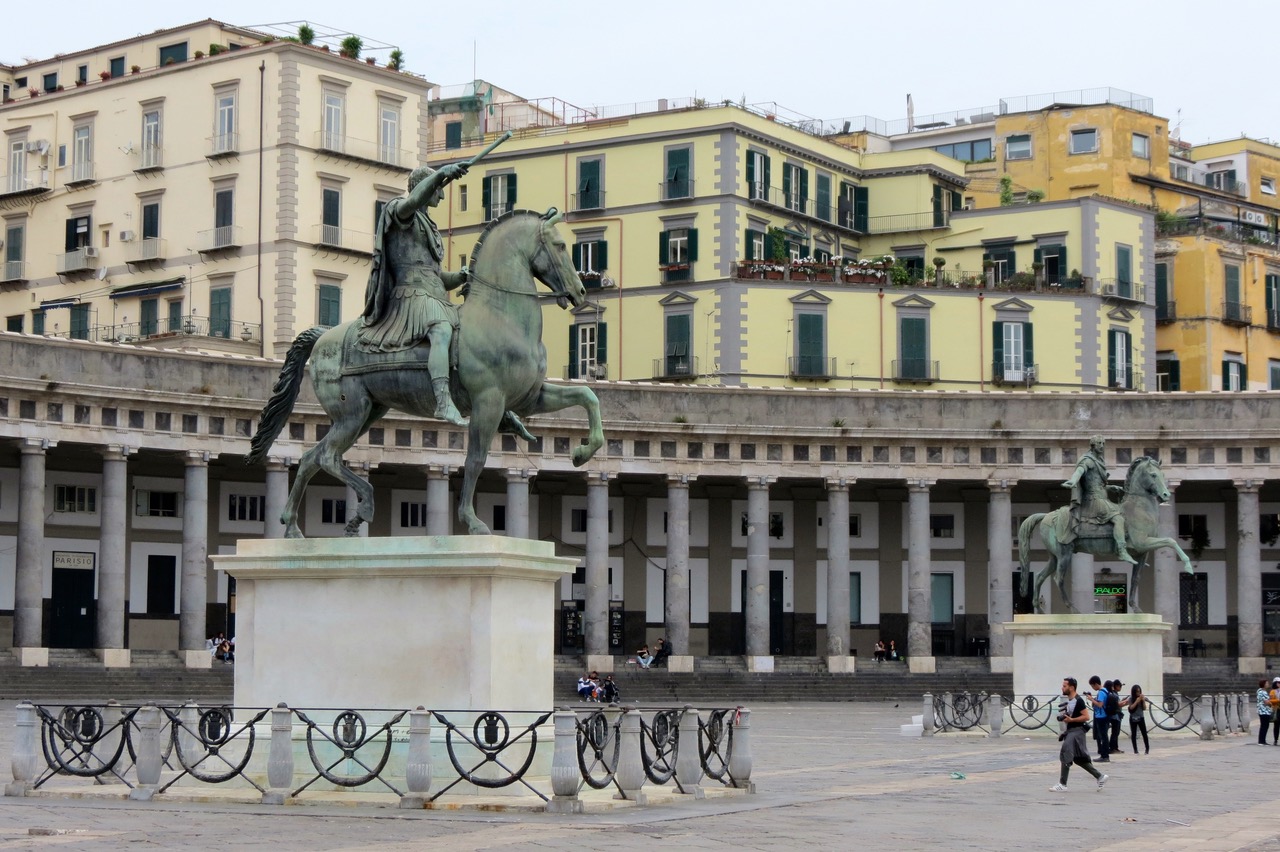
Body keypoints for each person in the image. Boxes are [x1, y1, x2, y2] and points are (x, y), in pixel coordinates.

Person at [357, 162, 472, 426]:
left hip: (433, 296)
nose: (441, 195)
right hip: (409, 297)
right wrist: (441, 175)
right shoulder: (399, 211)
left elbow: (436, 275)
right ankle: (443, 402)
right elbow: (413, 201)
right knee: (441, 330)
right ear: (425, 186)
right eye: (438, 189)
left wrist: (461, 276)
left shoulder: (429, 225)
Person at [1061, 435, 1137, 564]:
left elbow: (1096, 484)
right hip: (1094, 501)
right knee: (1118, 519)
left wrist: (1110, 487)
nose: (1101, 446)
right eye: (1098, 443)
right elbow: (1080, 470)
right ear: (1092, 445)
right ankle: (1122, 551)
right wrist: (1073, 480)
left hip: (1102, 498)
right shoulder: (1088, 460)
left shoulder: (1099, 460)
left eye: (1103, 443)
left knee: (1125, 514)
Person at [1052, 676, 1107, 792]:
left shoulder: (1078, 700)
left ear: (1071, 687)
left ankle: (1062, 784)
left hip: (1077, 731)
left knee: (1066, 752)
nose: (1062, 688)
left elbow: (1086, 716)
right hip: (1072, 730)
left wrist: (1071, 720)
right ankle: (1100, 776)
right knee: (1079, 758)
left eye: (1064, 686)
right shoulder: (1071, 701)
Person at [1088, 676, 1110, 762]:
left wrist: (1091, 699)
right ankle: (1105, 755)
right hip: (1104, 716)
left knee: (1103, 736)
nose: (1093, 688)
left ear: (1096, 684)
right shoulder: (1106, 690)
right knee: (1104, 736)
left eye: (1093, 686)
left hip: (1101, 716)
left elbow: (1100, 704)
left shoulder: (1101, 692)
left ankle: (1104, 756)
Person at [1127, 684, 1150, 755]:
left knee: (1144, 733)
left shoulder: (1141, 698)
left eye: (1139, 692)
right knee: (1133, 734)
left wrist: (1142, 701)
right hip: (1133, 717)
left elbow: (1144, 708)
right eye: (1137, 692)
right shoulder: (1131, 699)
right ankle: (1135, 749)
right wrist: (1136, 701)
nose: (1138, 693)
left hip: (1141, 717)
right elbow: (1131, 708)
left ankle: (1147, 748)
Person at [1107, 678, 1125, 753]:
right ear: (1116, 686)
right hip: (1115, 716)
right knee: (1115, 732)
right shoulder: (1113, 694)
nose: (1120, 688)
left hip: (1117, 715)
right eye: (1120, 686)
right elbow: (1117, 704)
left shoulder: (1115, 694)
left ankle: (1115, 747)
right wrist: (1125, 702)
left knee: (1116, 732)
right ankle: (1112, 747)